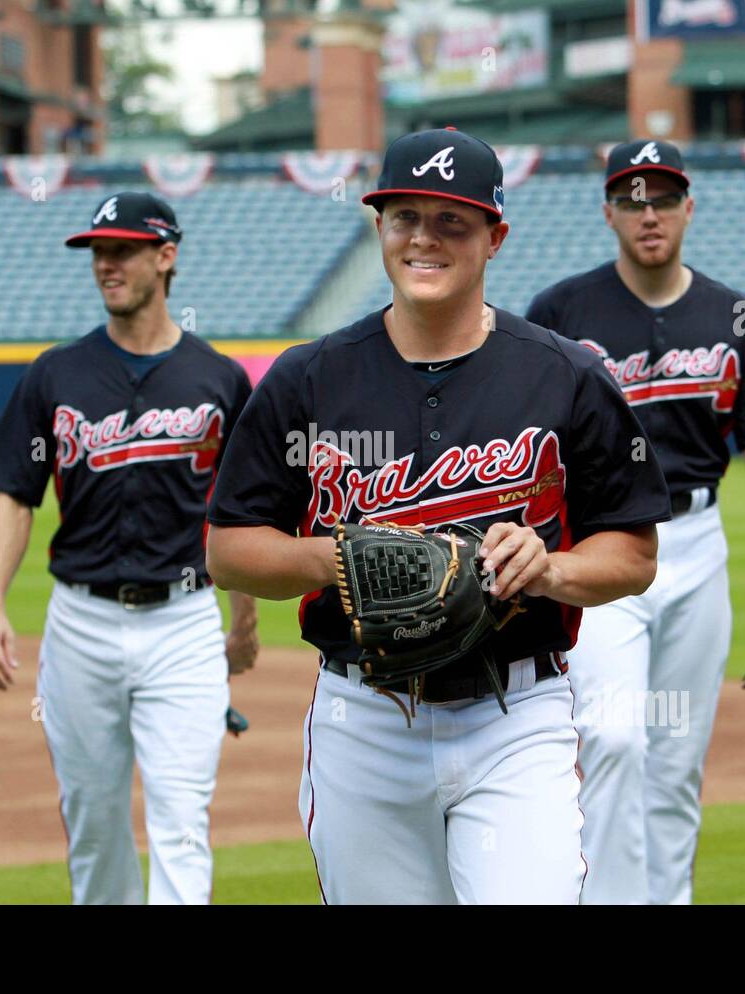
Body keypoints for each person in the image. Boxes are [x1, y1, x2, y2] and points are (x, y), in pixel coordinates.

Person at [205, 128, 671, 905]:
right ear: (379, 227)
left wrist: (549, 567)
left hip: (515, 713)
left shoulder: (565, 376)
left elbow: (634, 553)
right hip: (365, 716)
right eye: (404, 216)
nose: (424, 237)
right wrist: (342, 558)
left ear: (495, 237)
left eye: (451, 220)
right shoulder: (308, 379)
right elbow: (229, 549)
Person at [525, 139, 745, 905]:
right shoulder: (561, 312)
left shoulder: (733, 314)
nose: (648, 213)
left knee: (677, 761)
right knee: (614, 739)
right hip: (603, 546)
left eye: (662, 198)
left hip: (697, 547)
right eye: (631, 198)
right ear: (609, 212)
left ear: (689, 206)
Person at [0, 191, 258, 905]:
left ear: (166, 257)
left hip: (184, 622)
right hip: (81, 622)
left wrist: (244, 616)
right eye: (99, 251)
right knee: (94, 825)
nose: (106, 264)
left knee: (181, 822)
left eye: (123, 250)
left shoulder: (217, 379)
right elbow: (14, 493)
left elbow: (244, 512)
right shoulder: (55, 374)